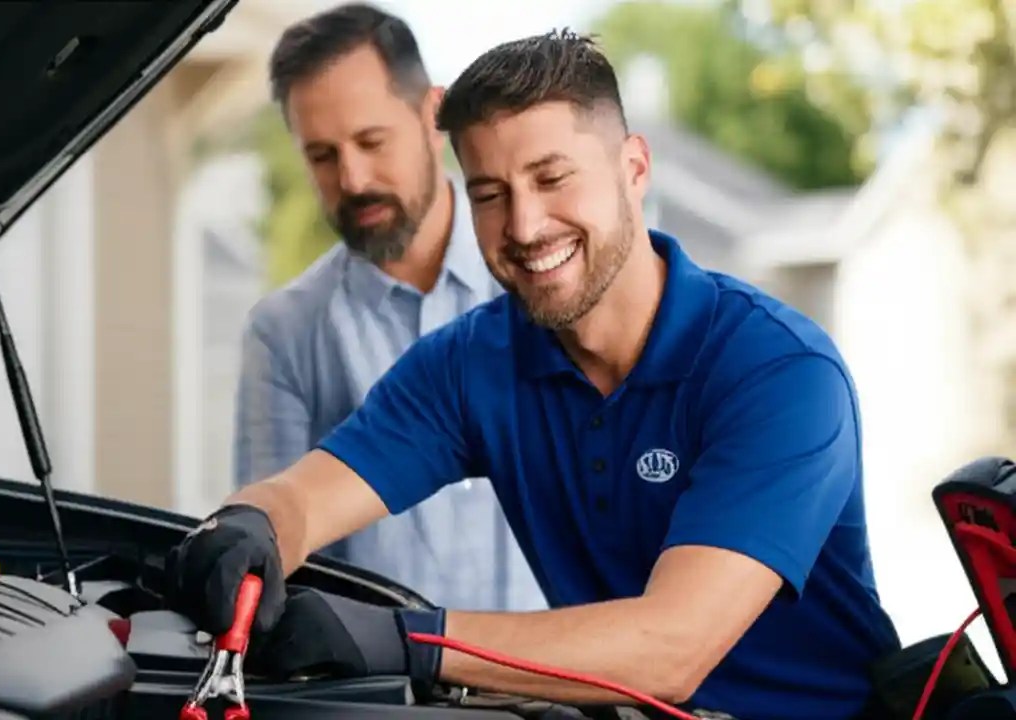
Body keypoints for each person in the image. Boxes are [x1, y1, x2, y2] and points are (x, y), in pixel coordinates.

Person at [172, 29, 902, 720]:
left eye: (552, 179)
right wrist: (251, 526)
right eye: (490, 195)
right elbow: (307, 498)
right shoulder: (471, 364)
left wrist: (408, 641)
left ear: (634, 169)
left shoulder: (775, 372)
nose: (523, 226)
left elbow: (670, 648)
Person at [231, 3, 546, 612]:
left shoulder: (546, 281)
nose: (351, 178)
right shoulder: (284, 334)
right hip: (387, 697)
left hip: (561, 689)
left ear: (434, 114)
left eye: (371, 141)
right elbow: (275, 562)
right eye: (322, 155)